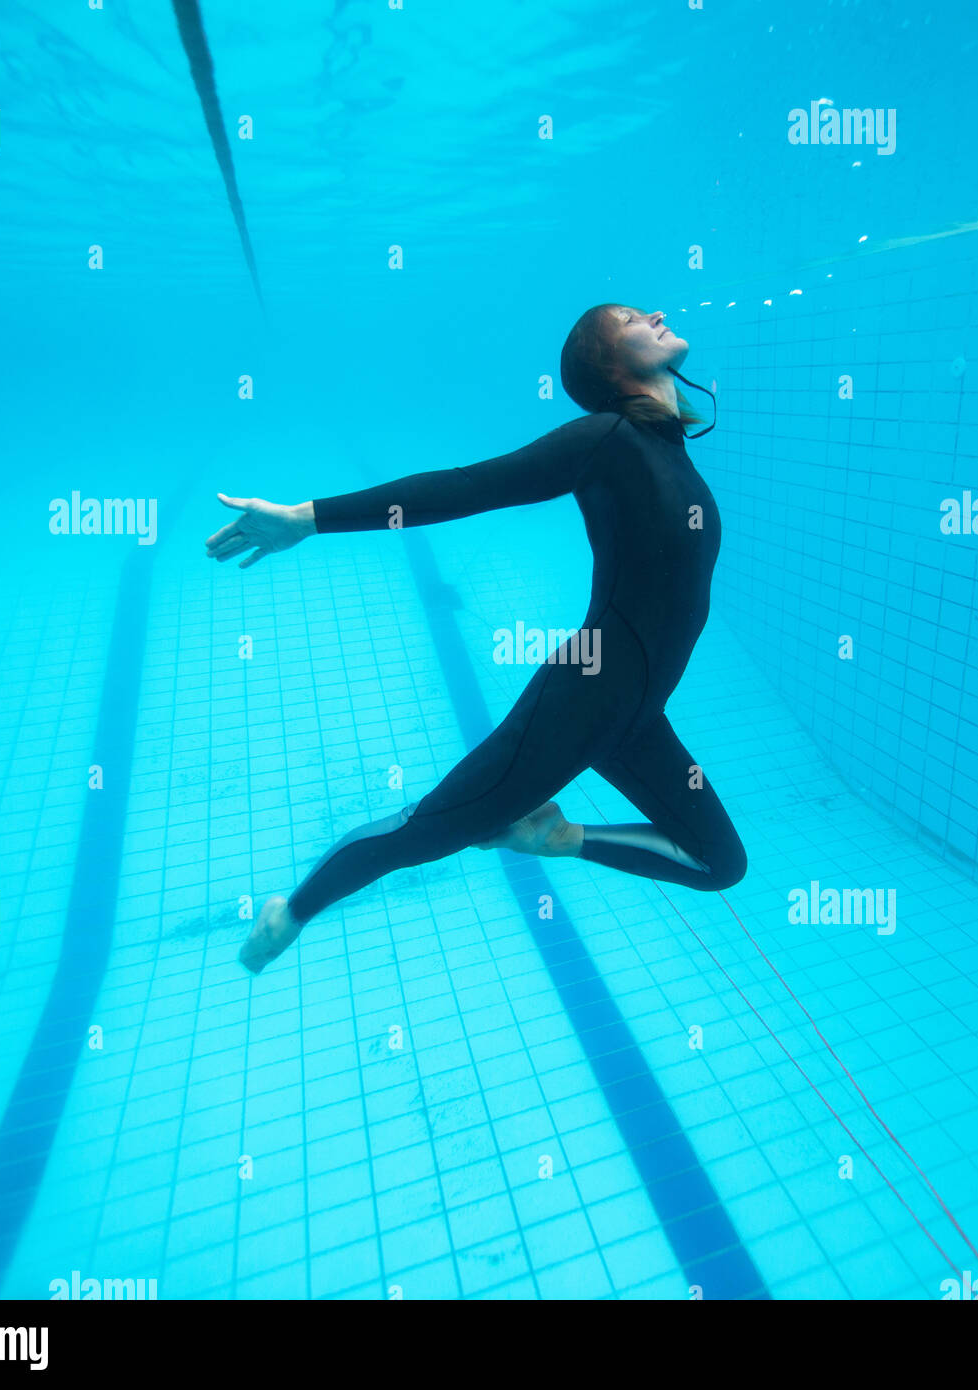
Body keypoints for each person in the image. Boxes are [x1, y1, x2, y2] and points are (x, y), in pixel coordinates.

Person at [205, 304, 747, 974]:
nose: (658, 314)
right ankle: (289, 914)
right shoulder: (605, 441)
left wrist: (571, 836)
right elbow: (469, 488)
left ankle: (552, 836)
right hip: (585, 702)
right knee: (430, 830)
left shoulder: (668, 448)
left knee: (719, 862)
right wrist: (305, 519)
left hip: (636, 718)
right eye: (634, 318)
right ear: (608, 363)